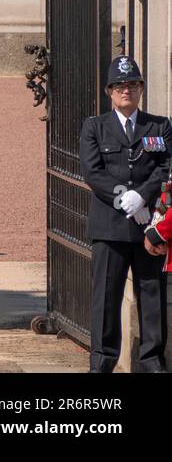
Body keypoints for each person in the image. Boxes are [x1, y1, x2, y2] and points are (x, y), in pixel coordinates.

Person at [79, 54, 170, 373]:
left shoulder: (159, 126)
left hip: (148, 228)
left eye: (132, 84)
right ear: (109, 91)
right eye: (119, 85)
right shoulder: (95, 126)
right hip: (110, 228)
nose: (125, 90)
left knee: (152, 298)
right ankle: (102, 362)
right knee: (105, 299)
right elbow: (93, 172)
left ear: (141, 88)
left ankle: (151, 363)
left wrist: (142, 196)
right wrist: (124, 197)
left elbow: (165, 167)